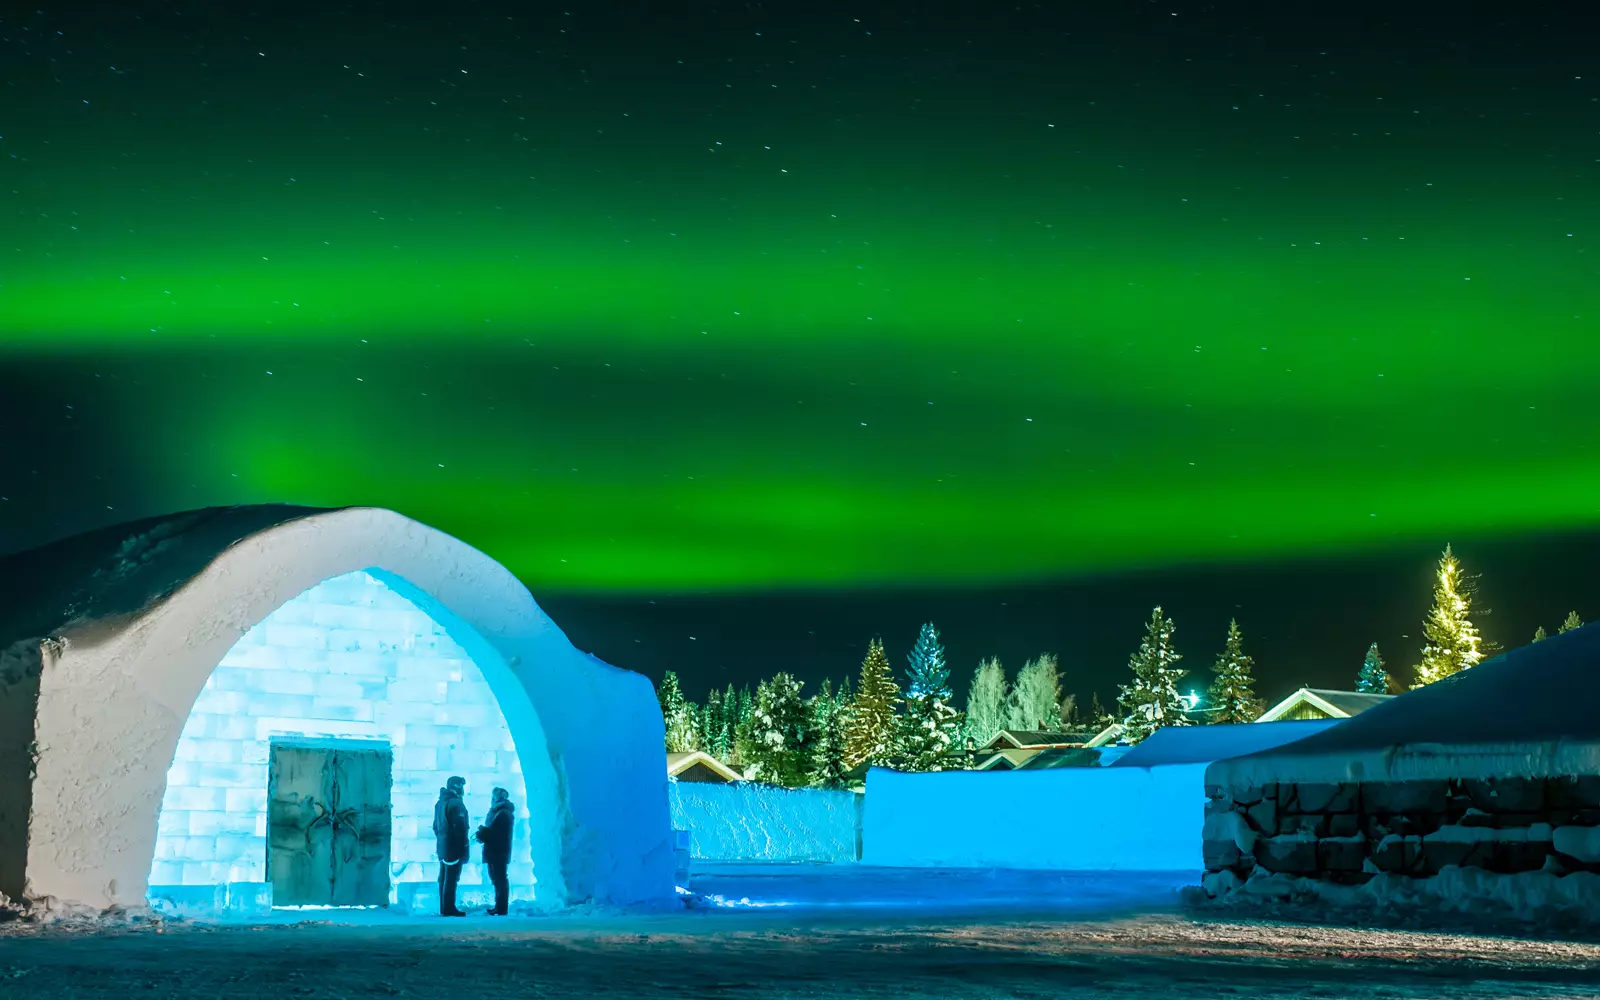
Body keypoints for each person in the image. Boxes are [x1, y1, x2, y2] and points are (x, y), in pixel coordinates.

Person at [432, 776, 469, 916]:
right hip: (453, 846)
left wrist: (442, 839)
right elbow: (460, 828)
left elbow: (435, 826)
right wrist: (463, 846)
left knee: (443, 876)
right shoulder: (455, 803)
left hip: (443, 845)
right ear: (457, 786)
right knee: (451, 877)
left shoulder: (440, 803)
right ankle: (449, 908)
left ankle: (444, 907)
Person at [475, 786, 515, 916]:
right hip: (495, 851)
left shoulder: (503, 813)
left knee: (500, 879)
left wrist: (482, 832)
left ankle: (502, 907)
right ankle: (499, 906)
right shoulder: (497, 812)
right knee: (496, 880)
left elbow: (497, 834)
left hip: (498, 851)